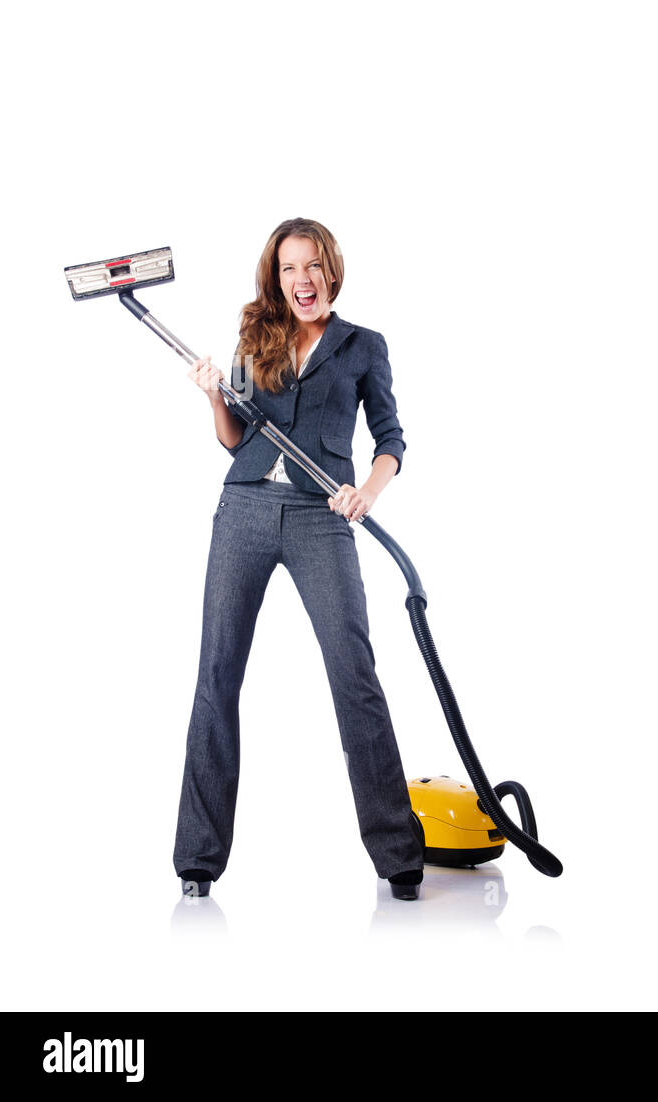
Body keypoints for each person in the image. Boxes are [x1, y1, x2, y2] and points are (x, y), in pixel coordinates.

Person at [173, 217, 425, 901]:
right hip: (245, 512)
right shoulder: (256, 339)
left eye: (312, 265)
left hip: (323, 517)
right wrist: (211, 396)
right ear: (275, 277)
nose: (302, 279)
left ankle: (400, 857)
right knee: (217, 675)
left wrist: (366, 493)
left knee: (355, 676)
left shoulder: (363, 346)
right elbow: (235, 440)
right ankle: (198, 860)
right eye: (289, 268)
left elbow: (390, 437)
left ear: (330, 271)